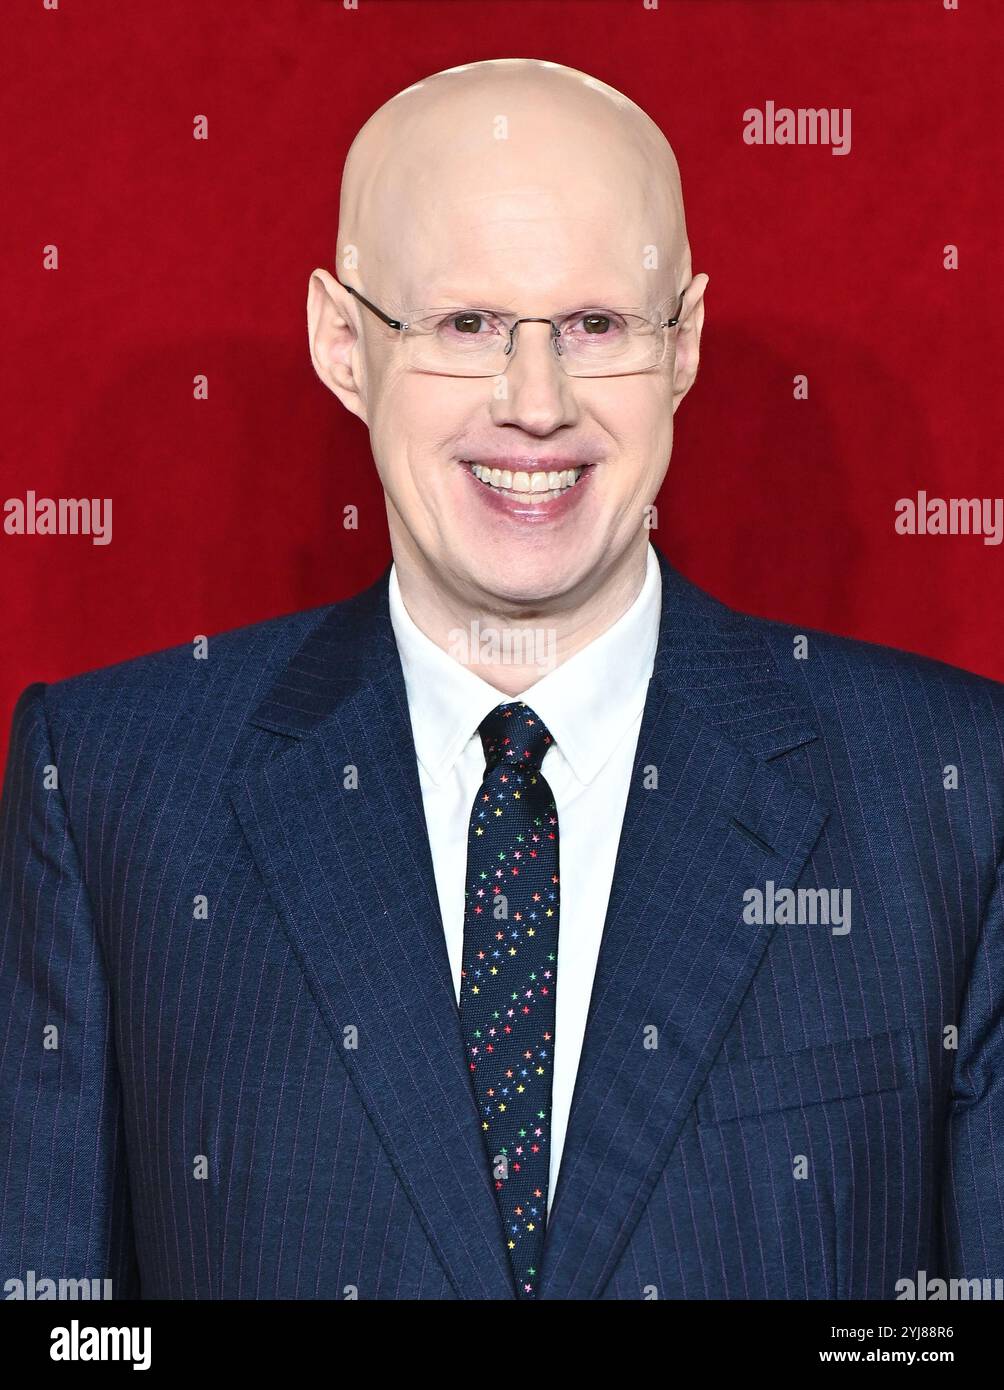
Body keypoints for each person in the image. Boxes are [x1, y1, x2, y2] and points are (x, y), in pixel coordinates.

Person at [1, 58, 1001, 1302]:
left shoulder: (952, 795)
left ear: (682, 342)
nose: (536, 405)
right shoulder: (108, 789)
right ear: (341, 341)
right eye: (464, 325)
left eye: (596, 325)